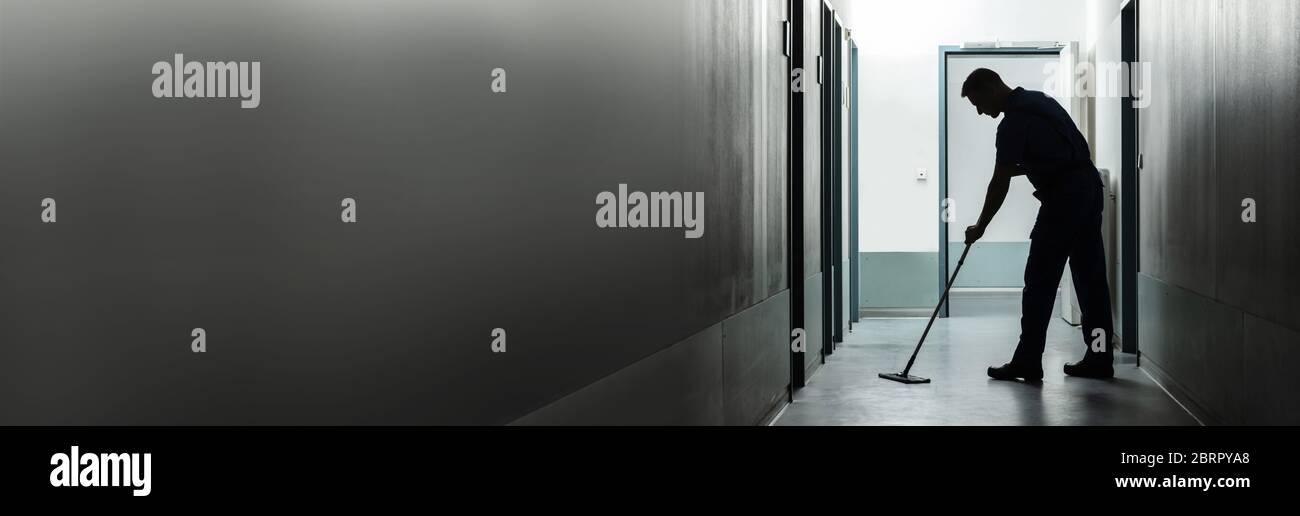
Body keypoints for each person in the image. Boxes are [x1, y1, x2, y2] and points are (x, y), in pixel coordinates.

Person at [960, 68, 1114, 381]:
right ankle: (1099, 358)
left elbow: (999, 183)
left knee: (1040, 283)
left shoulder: (1013, 123)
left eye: (978, 103)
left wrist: (980, 226)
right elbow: (1059, 154)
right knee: (1090, 280)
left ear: (991, 87)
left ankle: (1028, 361)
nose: (979, 111)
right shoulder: (1041, 102)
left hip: (1063, 202)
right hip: (1087, 190)